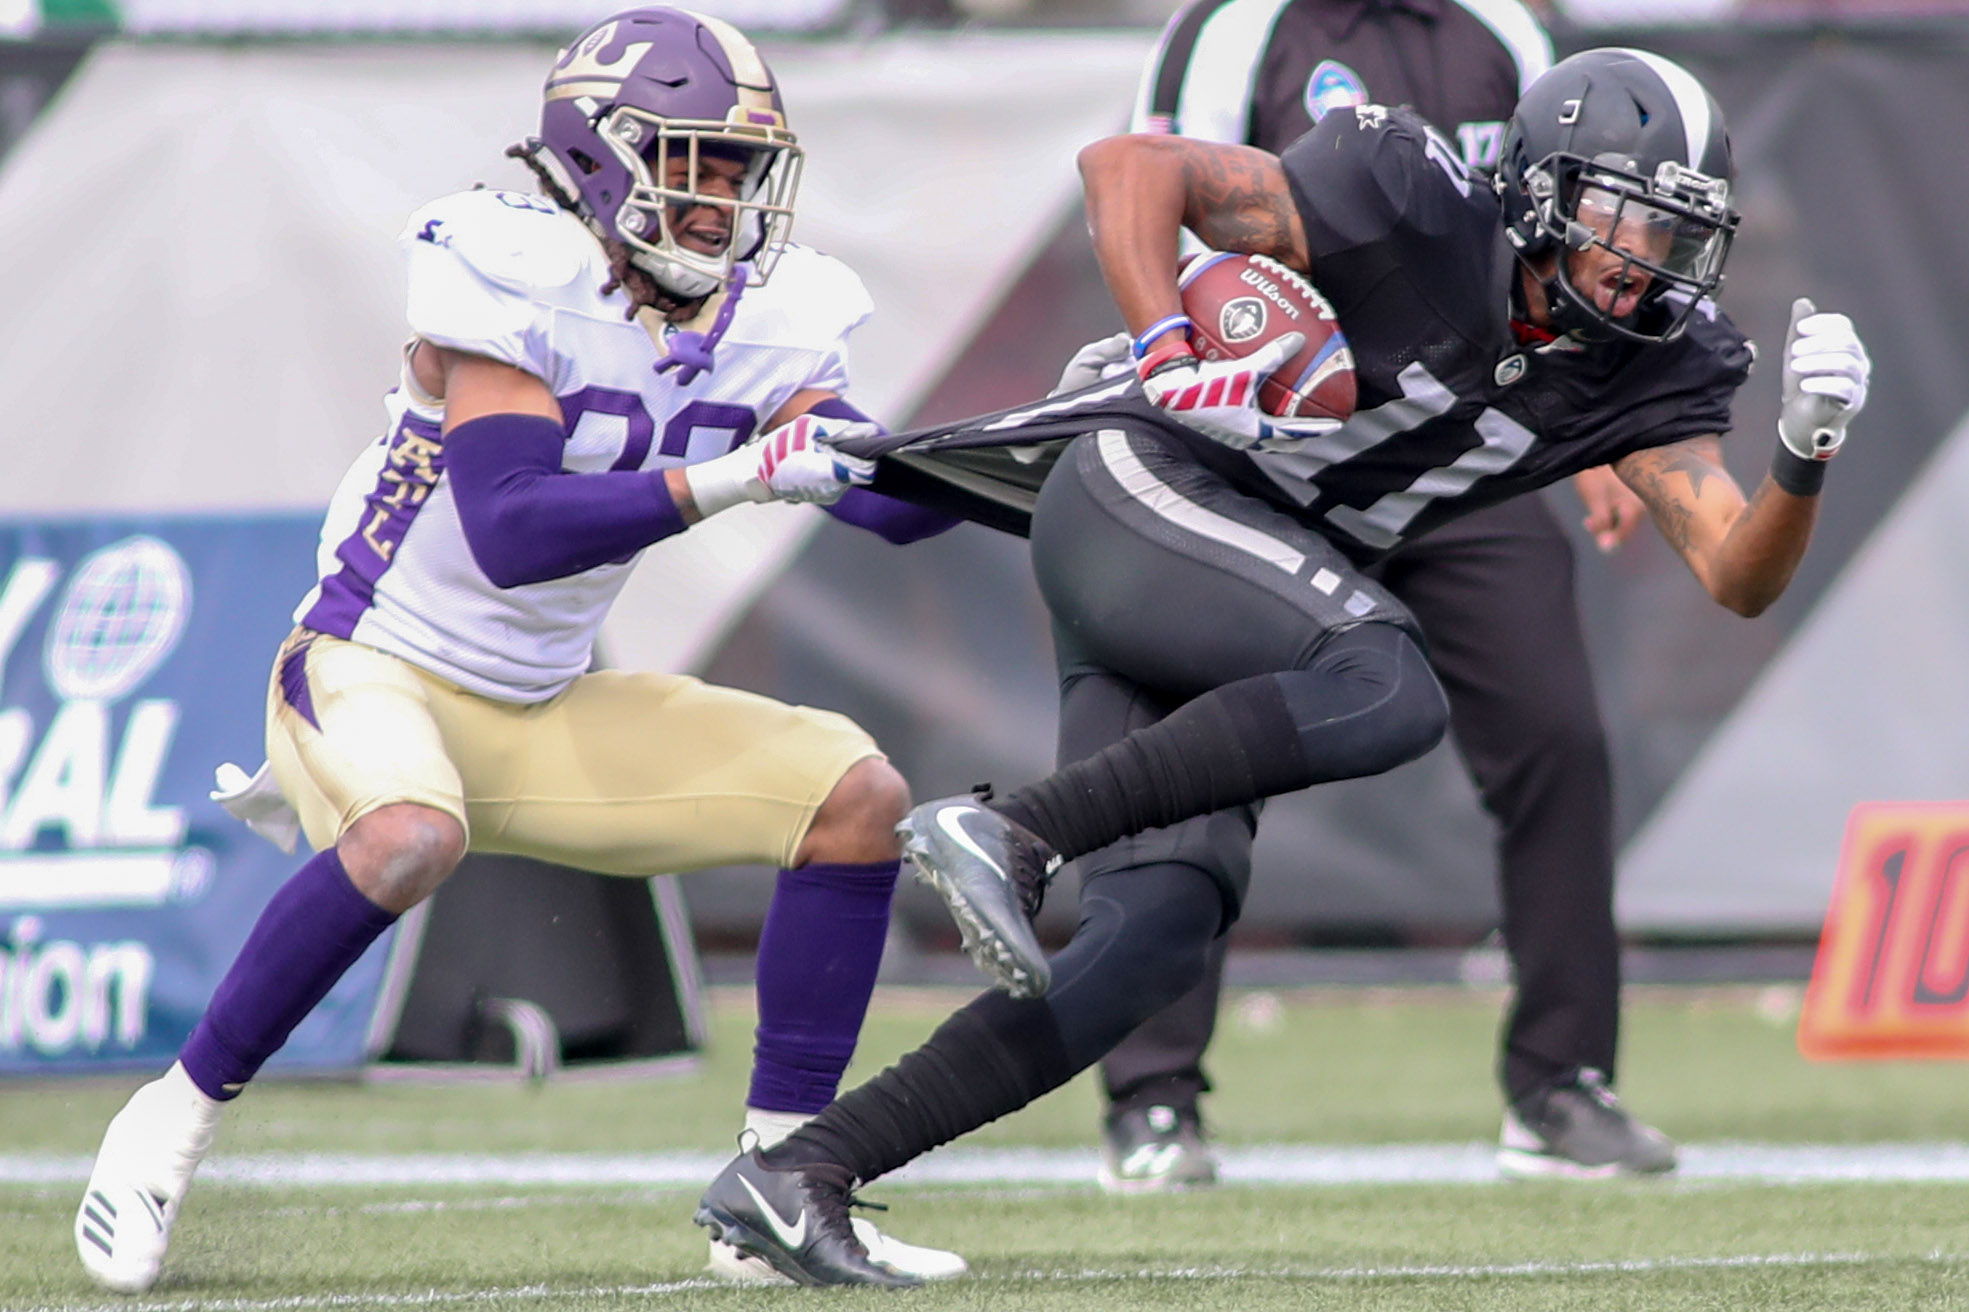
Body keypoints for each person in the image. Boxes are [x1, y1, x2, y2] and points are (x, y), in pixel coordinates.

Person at [691, 47, 1871, 1284]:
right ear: (1535, 187)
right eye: (1621, 218)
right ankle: (1014, 833)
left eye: (1675, 237)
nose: (1642, 265)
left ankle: (798, 1175)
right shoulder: (1407, 190)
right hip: (1151, 488)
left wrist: (1804, 451)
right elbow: (1128, 168)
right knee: (1387, 678)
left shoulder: (1654, 360)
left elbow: (1737, 573)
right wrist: (1163, 344)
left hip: (1234, 588)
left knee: (1150, 940)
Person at [71, 7, 966, 1294]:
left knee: (855, 799)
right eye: (689, 160)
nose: (717, 199)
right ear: (601, 160)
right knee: (408, 836)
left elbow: (887, 500)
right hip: (370, 667)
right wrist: (737, 477)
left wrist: (1042, 441)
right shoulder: (505, 267)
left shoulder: (774, 315)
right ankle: (170, 1115)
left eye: (734, 168)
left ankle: (777, 1186)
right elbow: (512, 526)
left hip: (541, 707)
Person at [1094, 0, 1670, 1193]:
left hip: (1463, 449)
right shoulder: (1235, 27)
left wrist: (1607, 442)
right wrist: (1193, 354)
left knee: (1558, 734)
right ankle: (1152, 1094)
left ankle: (1562, 1082)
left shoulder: (1509, 27)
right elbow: (1152, 207)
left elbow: (1584, 236)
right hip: (1282, 449)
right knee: (1196, 748)